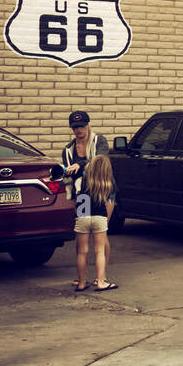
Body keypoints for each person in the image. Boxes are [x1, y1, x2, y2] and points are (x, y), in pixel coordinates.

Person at [61, 111, 110, 289]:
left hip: (102, 192)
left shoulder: (99, 141)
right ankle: (83, 280)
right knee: (82, 243)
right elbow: (69, 178)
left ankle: (100, 278)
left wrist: (80, 165)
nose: (78, 130)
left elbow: (101, 159)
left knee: (101, 237)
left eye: (81, 125)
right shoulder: (68, 150)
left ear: (88, 124)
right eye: (75, 127)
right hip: (82, 197)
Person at [74, 155, 118, 290]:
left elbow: (78, 199)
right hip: (100, 217)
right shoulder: (107, 185)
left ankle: (81, 283)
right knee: (99, 251)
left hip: (83, 215)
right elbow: (109, 202)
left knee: (82, 252)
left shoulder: (81, 180)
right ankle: (101, 281)